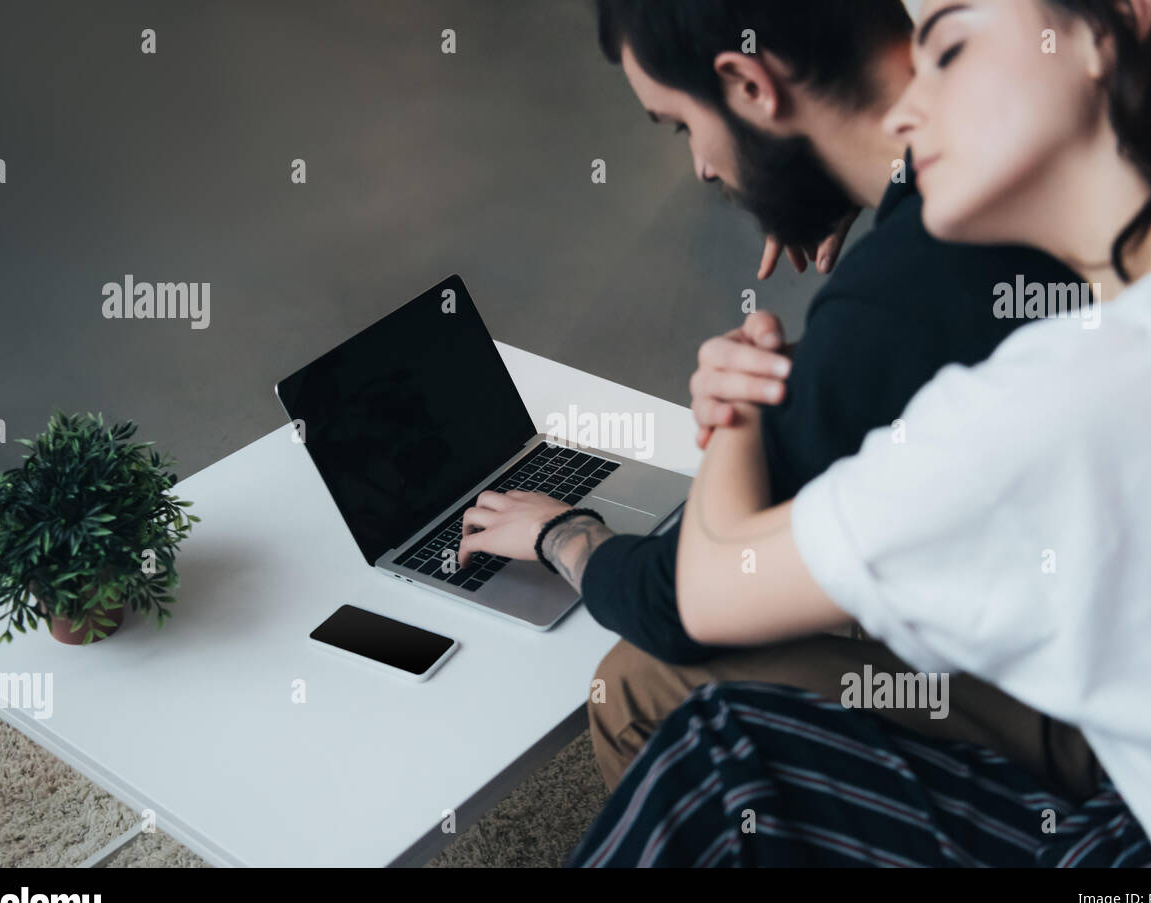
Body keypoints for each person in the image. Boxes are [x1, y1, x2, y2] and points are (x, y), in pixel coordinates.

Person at [570, 0, 1151, 867]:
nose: (901, 109)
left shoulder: (1049, 408)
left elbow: (705, 590)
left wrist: (729, 401)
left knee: (712, 753)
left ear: (1111, 24)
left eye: (950, 47)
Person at [454, 0, 1095, 798]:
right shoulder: (1043, 119)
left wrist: (565, 533)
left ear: (752, 86)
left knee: (636, 682)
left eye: (682, 127)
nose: (701, 167)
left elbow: (680, 596)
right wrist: (842, 174)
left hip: (1103, 734)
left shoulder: (898, 297)